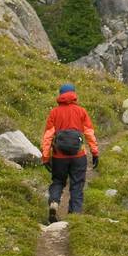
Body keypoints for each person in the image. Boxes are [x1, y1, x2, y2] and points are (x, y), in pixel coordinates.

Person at [40, 83, 99, 224]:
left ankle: (54, 202)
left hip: (59, 156)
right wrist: (95, 152)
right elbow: (89, 133)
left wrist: (46, 157)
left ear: (60, 95)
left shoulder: (54, 112)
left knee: (58, 181)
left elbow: (48, 136)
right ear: (74, 94)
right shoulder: (81, 111)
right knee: (77, 185)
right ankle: (75, 216)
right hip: (78, 156)